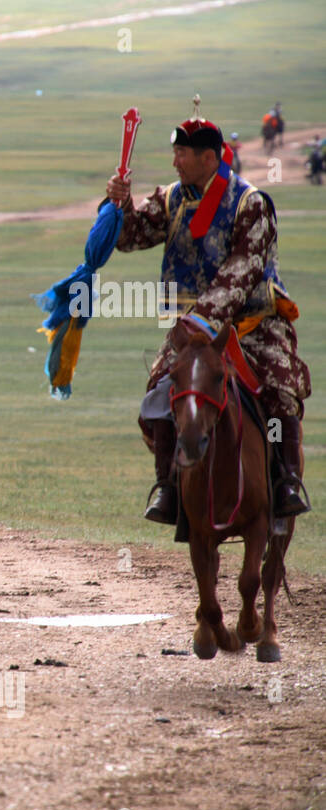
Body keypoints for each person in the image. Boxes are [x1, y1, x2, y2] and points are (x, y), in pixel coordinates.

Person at [105, 113, 310, 523]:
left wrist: (202, 320)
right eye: (175, 152)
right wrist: (120, 203)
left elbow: (243, 269)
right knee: (161, 396)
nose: (175, 162)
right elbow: (129, 237)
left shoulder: (250, 204)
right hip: (191, 331)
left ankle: (286, 480)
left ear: (208, 158)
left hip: (252, 323)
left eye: (182, 153)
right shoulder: (172, 199)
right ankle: (167, 486)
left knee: (278, 390)